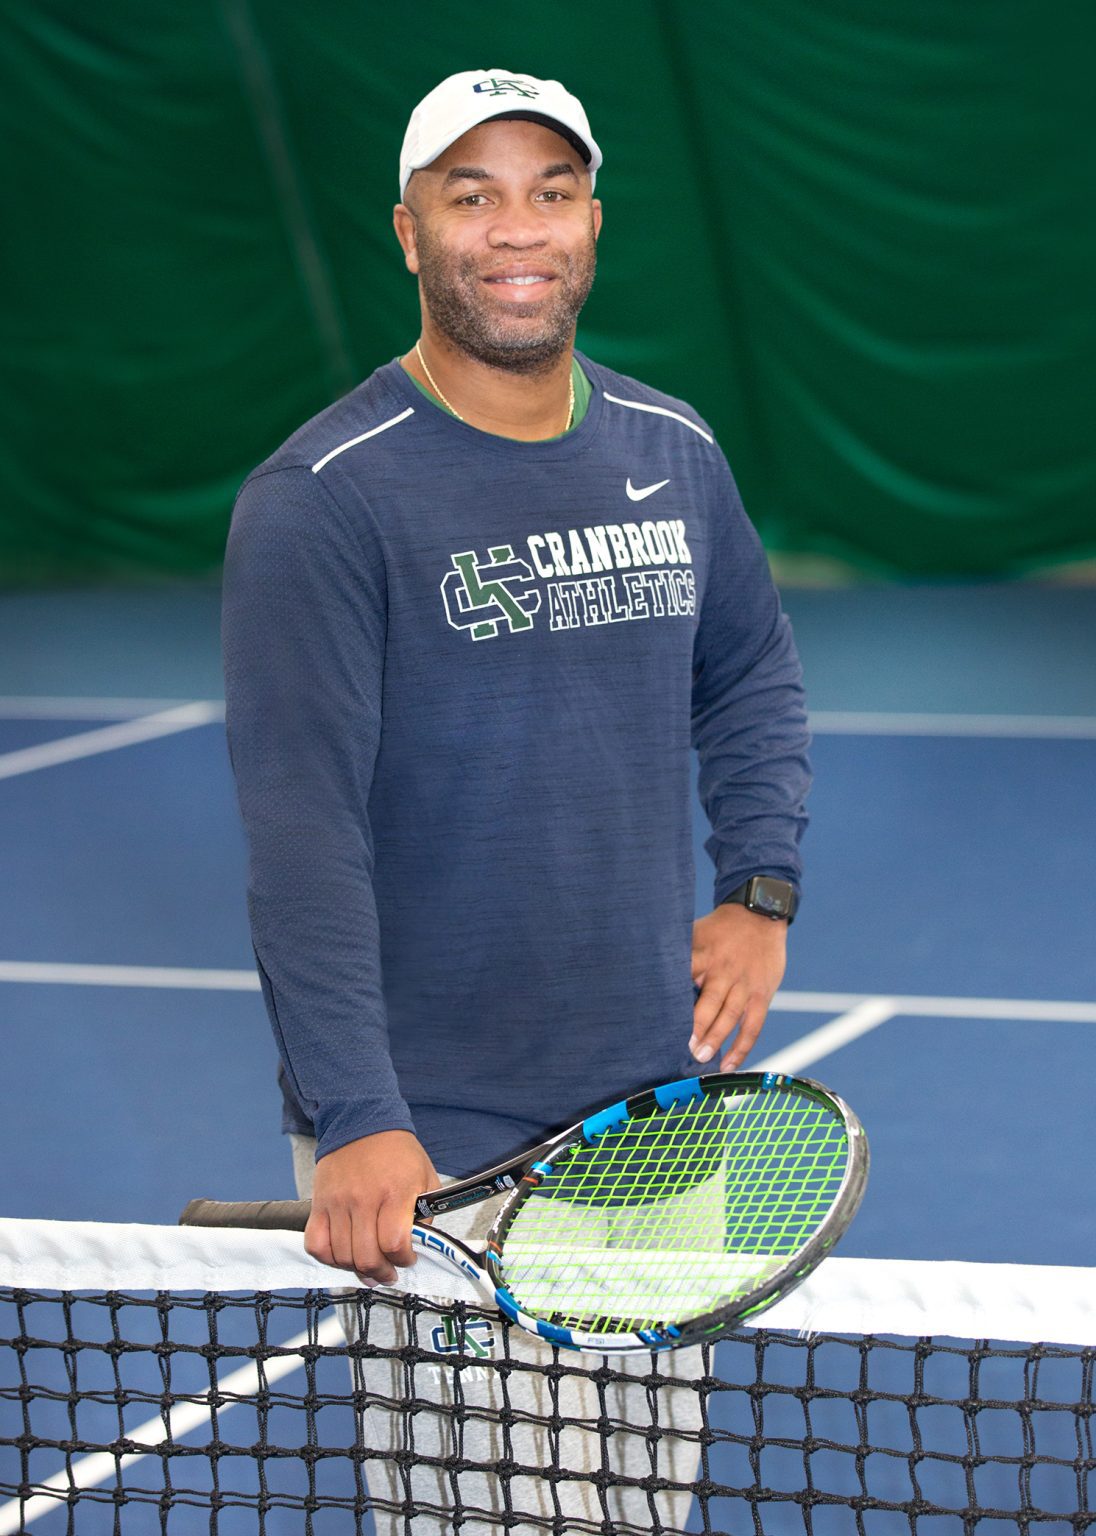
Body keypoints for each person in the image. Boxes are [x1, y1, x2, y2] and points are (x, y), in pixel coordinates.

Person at [222, 67, 811, 1534]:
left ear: (594, 222)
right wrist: (359, 1115)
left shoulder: (673, 451)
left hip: (655, 1114)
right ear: (409, 234)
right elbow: (302, 828)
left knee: (635, 1512)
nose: (517, 230)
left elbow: (750, 676)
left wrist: (759, 889)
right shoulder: (325, 498)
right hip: (444, 1140)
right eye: (471, 196)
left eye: (549, 193)